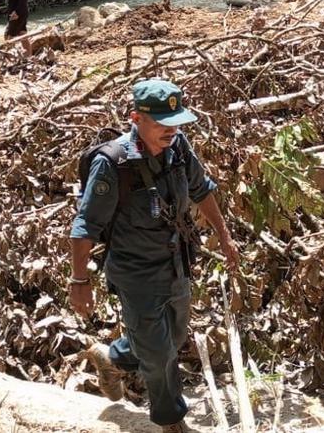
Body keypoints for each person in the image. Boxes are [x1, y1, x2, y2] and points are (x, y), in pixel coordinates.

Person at [69, 79, 241, 433]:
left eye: (177, 122)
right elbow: (85, 225)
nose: (172, 131)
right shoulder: (113, 164)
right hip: (136, 274)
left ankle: (113, 357)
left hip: (176, 263)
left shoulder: (177, 147)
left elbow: (202, 190)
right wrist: (79, 280)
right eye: (163, 124)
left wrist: (224, 238)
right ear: (137, 118)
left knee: (174, 338)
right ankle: (171, 421)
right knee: (161, 354)